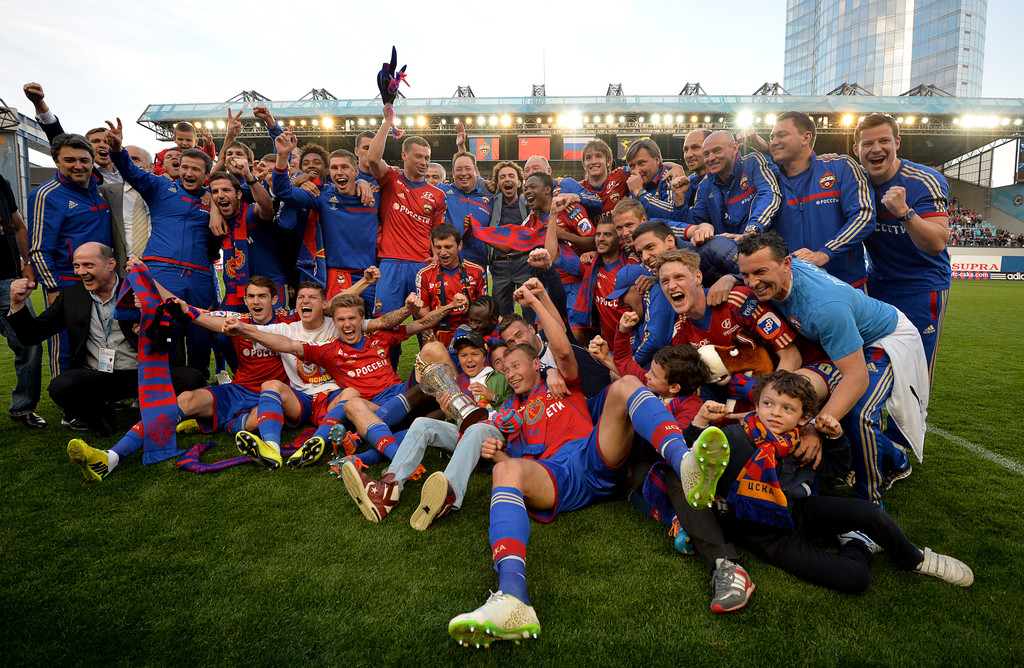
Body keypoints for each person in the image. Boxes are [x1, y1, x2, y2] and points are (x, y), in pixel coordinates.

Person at [445, 279, 708, 647]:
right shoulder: (508, 411)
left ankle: (685, 461)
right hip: (556, 475)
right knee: (505, 470)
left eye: (517, 364)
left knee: (628, 386)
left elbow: (562, 349)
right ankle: (513, 599)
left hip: (592, 452)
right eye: (505, 370)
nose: (511, 372)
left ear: (537, 364)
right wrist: (497, 453)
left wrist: (536, 302)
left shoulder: (561, 383)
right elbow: (514, 466)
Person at [682, 371, 972, 605]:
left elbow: (836, 470)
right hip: (767, 534)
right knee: (856, 577)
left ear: (804, 415)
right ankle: (857, 543)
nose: (774, 413)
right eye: (768, 403)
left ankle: (916, 559)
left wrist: (834, 438)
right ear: (757, 404)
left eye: (787, 408)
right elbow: (695, 457)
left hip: (800, 511)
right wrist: (700, 422)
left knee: (869, 513)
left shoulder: (802, 441)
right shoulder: (735, 435)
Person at [736, 231, 929, 504]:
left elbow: (856, 377)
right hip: (845, 338)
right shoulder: (784, 274)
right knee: (813, 402)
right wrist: (727, 279)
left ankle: (869, 503)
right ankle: (895, 459)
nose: (752, 283)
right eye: (745, 275)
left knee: (858, 413)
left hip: (884, 339)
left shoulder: (823, 308)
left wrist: (814, 428)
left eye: (760, 272)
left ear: (786, 264)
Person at [63, 273, 292, 481]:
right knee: (184, 400)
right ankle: (111, 456)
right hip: (237, 391)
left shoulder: (289, 322)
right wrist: (149, 279)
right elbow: (190, 311)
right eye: (250, 296)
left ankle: (221, 424)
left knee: (253, 423)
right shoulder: (236, 320)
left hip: (270, 394)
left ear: (274, 299)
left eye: (262, 296)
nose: (255, 301)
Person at [7, 243, 205, 437]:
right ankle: (99, 415)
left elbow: (169, 338)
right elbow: (31, 335)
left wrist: (150, 314)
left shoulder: (137, 291)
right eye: (76, 266)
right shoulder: (71, 297)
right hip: (97, 376)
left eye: (88, 265)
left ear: (110, 264)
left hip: (143, 374)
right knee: (62, 386)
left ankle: (157, 410)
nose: (80, 272)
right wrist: (17, 304)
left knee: (192, 379)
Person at [339, 332, 513, 529]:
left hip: (491, 435)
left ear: (484, 355)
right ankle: (388, 490)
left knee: (477, 429)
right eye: (463, 355)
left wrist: (493, 396)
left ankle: (449, 494)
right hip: (463, 436)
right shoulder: (458, 382)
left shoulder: (499, 377)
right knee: (422, 423)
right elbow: (454, 421)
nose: (469, 359)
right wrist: (448, 412)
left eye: (474, 354)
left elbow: (513, 408)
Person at [106, 120, 219, 373]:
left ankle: (200, 391)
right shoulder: (161, 187)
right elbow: (132, 172)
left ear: (206, 175)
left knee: (201, 339)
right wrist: (117, 150)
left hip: (200, 277)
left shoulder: (213, 198)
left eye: (196, 169)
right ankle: (165, 394)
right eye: (184, 167)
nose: (189, 173)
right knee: (163, 337)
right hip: (162, 273)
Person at [854, 113, 951, 384]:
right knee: (870, 365)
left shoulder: (923, 180)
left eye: (884, 141)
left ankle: (909, 427)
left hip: (921, 287)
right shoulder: (855, 181)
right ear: (857, 150)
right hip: (877, 286)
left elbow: (936, 243)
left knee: (913, 370)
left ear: (897, 142)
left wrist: (904, 212)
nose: (876, 149)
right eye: (867, 143)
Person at [29, 132, 113, 383]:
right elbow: (38, 249)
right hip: (67, 282)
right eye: (70, 160)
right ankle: (70, 406)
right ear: (56, 162)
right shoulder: (47, 194)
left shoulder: (98, 191)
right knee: (65, 343)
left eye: (84, 160)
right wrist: (54, 287)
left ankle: (100, 394)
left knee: (99, 341)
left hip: (102, 282)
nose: (78, 165)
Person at [272, 132, 379, 311]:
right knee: (342, 330)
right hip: (338, 276)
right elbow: (283, 191)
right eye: (335, 168)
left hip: (372, 276)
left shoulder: (376, 196)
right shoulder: (321, 197)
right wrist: (283, 156)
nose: (340, 172)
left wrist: (363, 182)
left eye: (345, 167)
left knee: (380, 332)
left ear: (356, 171)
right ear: (329, 172)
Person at [768, 112, 875, 288]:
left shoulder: (840, 167)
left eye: (781, 135)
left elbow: (864, 216)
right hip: (792, 288)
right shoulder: (769, 182)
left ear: (806, 137)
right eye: (771, 137)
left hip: (845, 285)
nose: (773, 142)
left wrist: (824, 254)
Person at [364, 105, 446, 316]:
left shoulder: (437, 195)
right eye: (419, 156)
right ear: (404, 155)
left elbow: (437, 231)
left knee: (427, 325)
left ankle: (425, 351)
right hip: (391, 262)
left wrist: (436, 256)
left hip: (421, 265)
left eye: (427, 158)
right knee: (385, 325)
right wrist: (386, 122)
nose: (424, 162)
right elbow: (373, 158)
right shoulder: (391, 180)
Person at [0, 173, 45, 428]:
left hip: (8, 280)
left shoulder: (0, 181)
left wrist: (28, 263)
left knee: (29, 342)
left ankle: (23, 408)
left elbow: (18, 226)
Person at [686, 131, 782, 236]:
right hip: (725, 247)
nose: (711, 158)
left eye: (717, 151)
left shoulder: (753, 163)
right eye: (706, 154)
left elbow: (769, 194)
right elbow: (694, 223)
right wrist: (679, 199)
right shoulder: (705, 185)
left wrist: (752, 230)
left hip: (759, 243)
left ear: (734, 148)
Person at [415, 223, 487, 346]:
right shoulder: (424, 275)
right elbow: (423, 316)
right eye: (438, 247)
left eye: (448, 247)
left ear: (459, 245)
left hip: (472, 333)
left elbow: (485, 310)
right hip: (438, 337)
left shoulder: (477, 271)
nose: (442, 253)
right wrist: (427, 331)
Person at [486, 161, 532, 317]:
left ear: (519, 182)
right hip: (499, 266)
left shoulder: (528, 204)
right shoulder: (490, 202)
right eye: (502, 177)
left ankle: (533, 340)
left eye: (511, 176)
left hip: (524, 263)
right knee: (501, 315)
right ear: (497, 184)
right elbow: (474, 178)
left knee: (531, 310)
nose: (507, 179)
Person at [102, 145, 154, 276]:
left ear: (151, 166)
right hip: (122, 269)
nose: (128, 163)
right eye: (124, 158)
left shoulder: (165, 191)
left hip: (158, 267)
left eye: (135, 159)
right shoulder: (106, 192)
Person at [438, 151, 491, 267]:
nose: (463, 173)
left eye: (468, 169)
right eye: (458, 169)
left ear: (476, 172)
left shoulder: (488, 200)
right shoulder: (441, 191)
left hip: (477, 266)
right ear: (453, 173)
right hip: (447, 266)